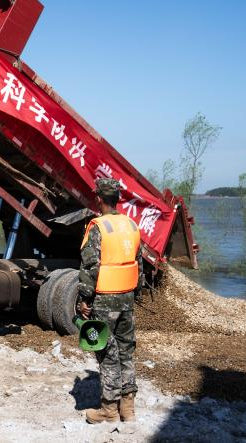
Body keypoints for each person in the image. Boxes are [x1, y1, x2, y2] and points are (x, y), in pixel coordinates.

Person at [78, 177, 144, 424]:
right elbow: (138, 263)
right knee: (126, 352)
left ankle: (108, 410)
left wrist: (84, 300)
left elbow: (90, 267)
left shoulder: (98, 227)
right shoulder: (131, 225)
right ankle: (128, 410)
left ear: (99, 199)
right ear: (117, 198)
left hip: (104, 302)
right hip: (127, 300)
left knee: (106, 353)